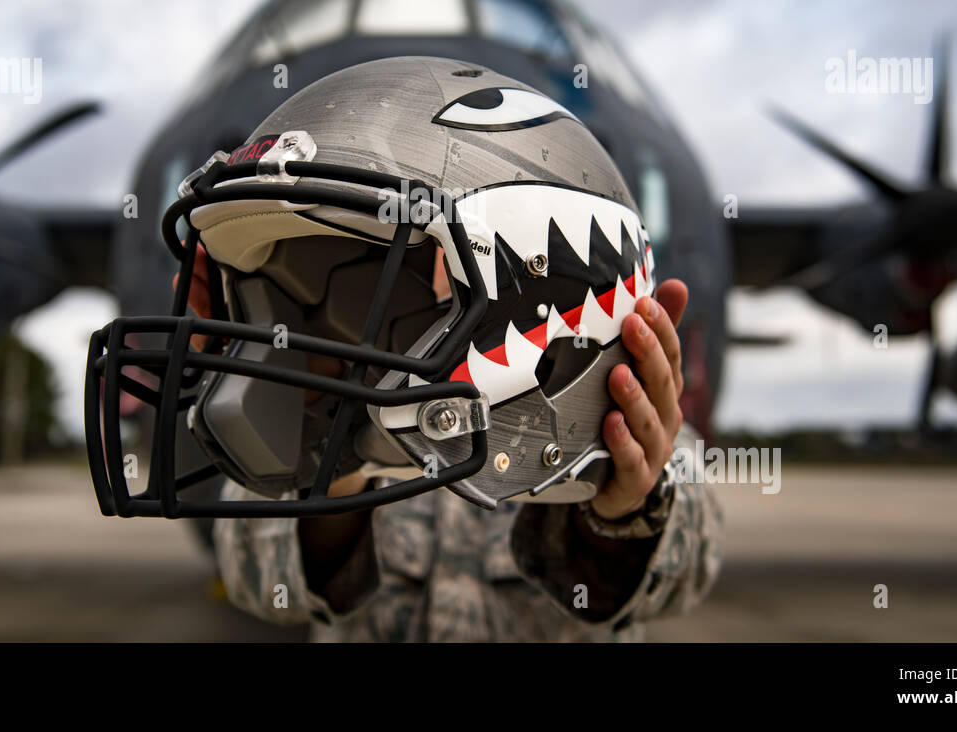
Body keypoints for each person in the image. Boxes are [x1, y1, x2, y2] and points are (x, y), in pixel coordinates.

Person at [185, 246, 724, 642]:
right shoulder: (354, 360)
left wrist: (624, 508)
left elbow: (687, 568)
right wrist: (327, 429)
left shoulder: (604, 394)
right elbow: (254, 575)